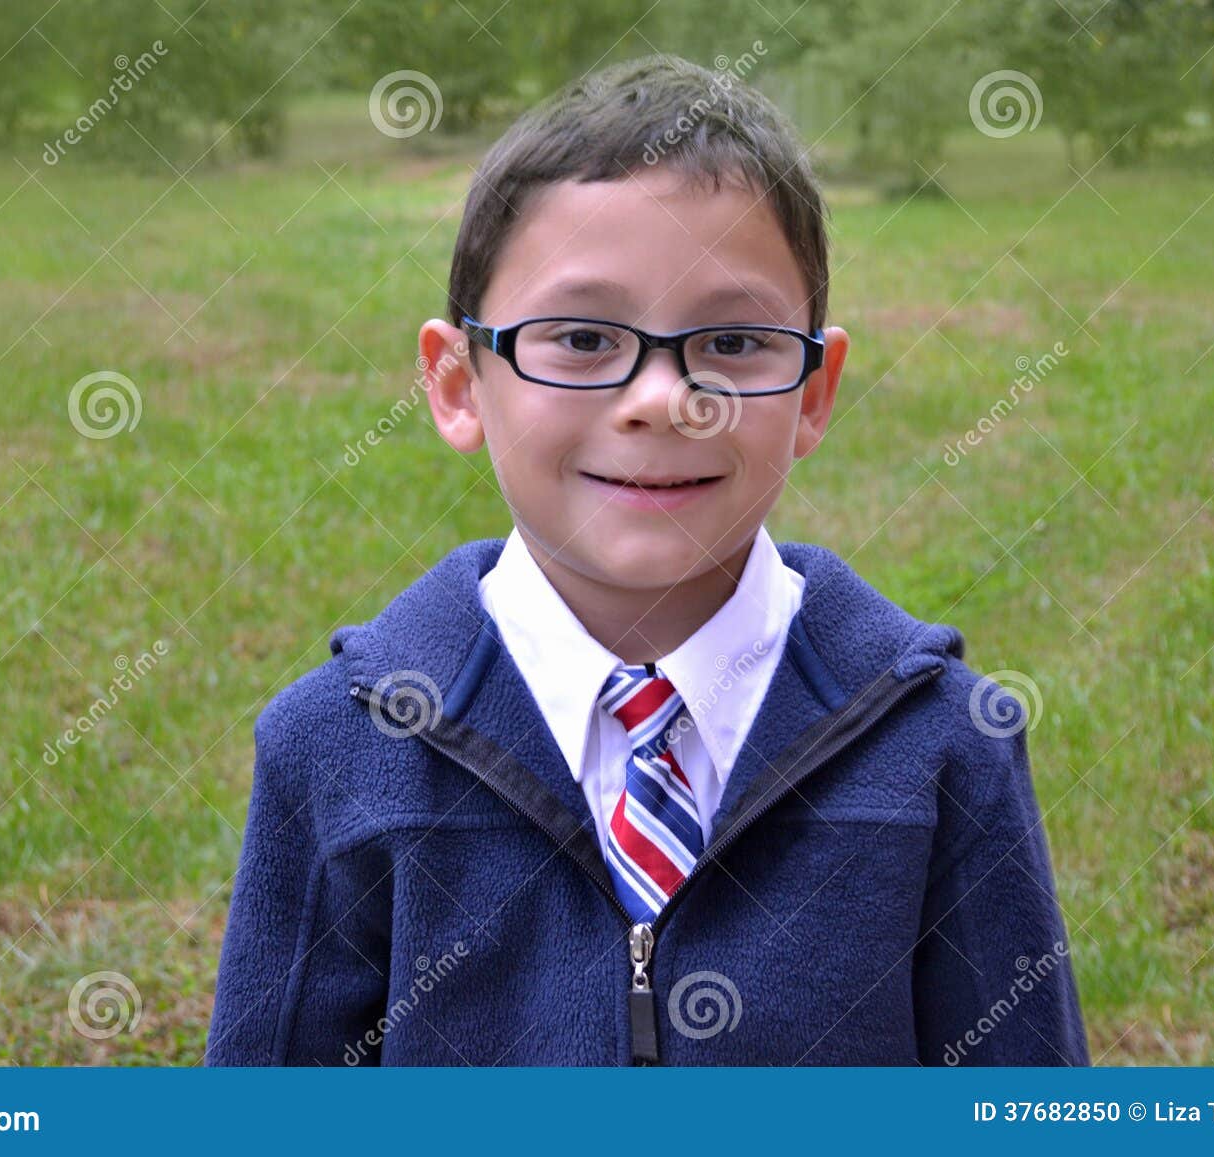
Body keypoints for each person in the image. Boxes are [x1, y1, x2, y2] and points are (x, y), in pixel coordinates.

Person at [206, 53, 1089, 1066]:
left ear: (813, 390)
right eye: (580, 336)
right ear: (455, 382)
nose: (664, 396)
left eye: (733, 341)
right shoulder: (334, 748)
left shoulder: (943, 746)